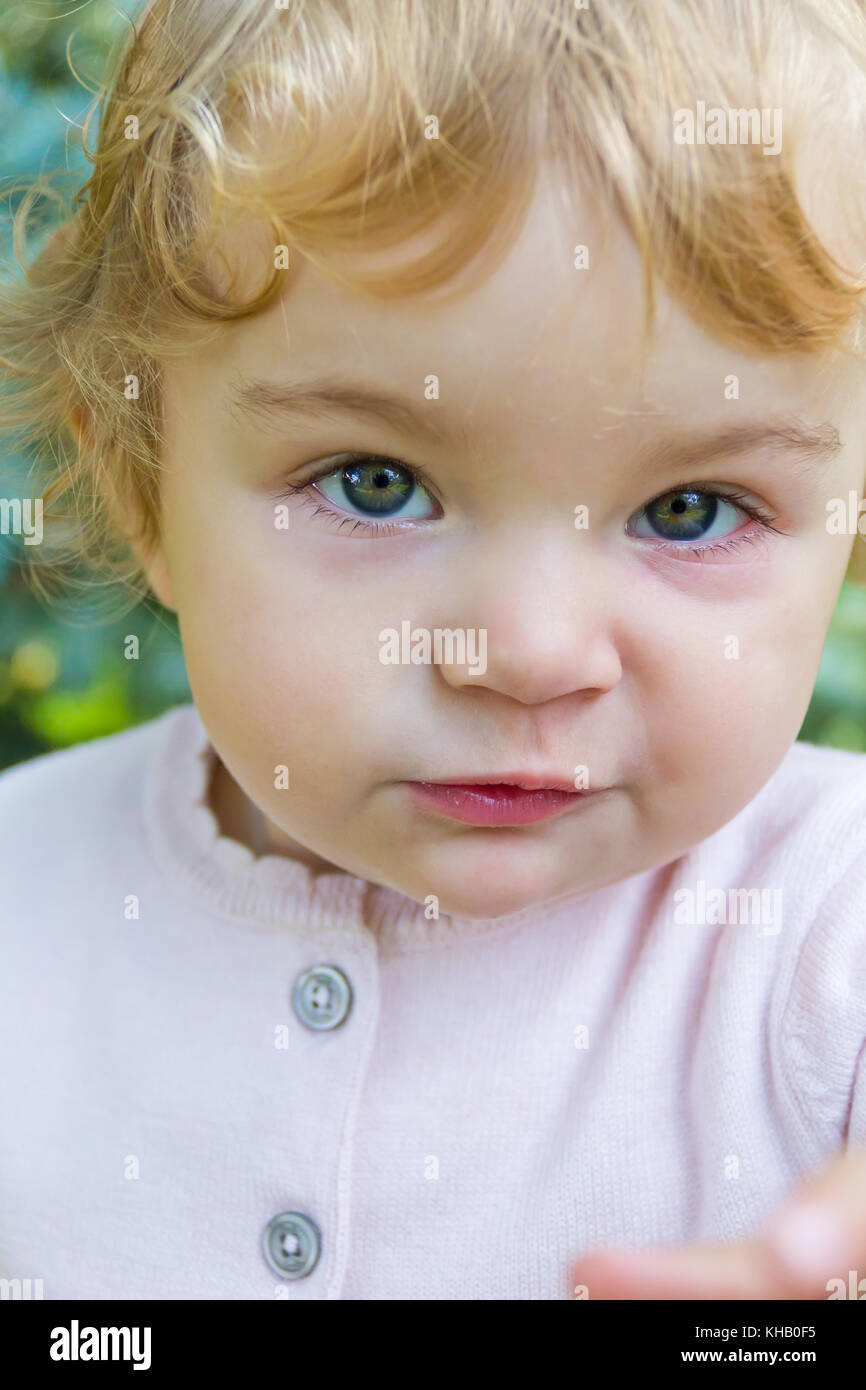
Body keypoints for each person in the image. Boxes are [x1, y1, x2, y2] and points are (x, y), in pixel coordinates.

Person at [2, 0, 866, 1300]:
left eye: (687, 509)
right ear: (140, 481)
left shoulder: (821, 927)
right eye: (373, 482)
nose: (525, 654)